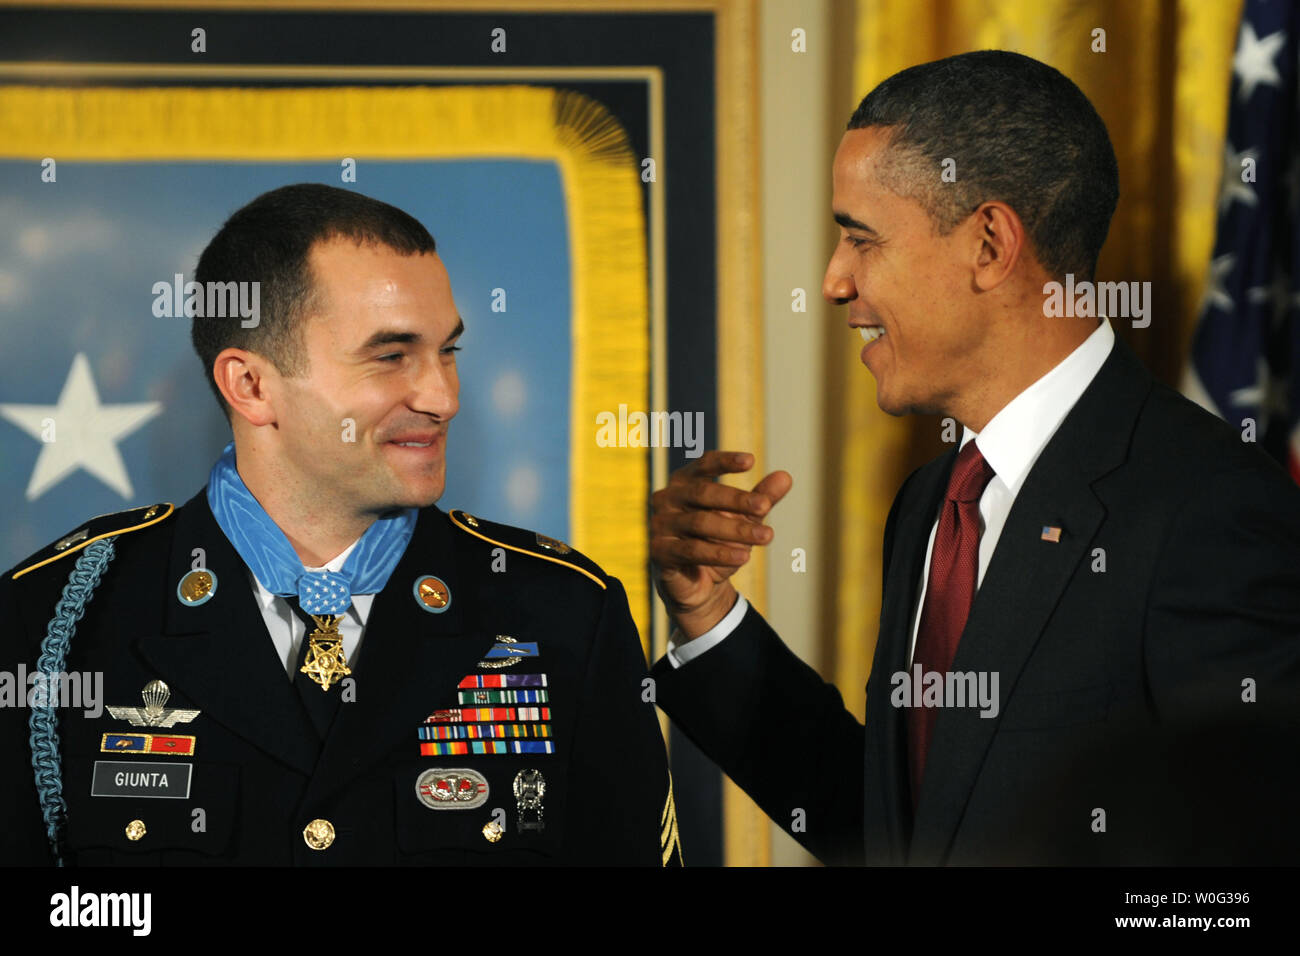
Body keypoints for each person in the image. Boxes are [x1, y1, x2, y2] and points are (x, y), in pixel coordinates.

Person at [648, 51, 1300, 865]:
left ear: (989, 244)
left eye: (860, 238)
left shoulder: (1210, 509)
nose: (833, 281)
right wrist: (709, 619)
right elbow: (906, 832)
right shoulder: (932, 503)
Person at [0, 183, 682, 866]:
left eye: (448, 351)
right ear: (252, 386)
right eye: (391, 355)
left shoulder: (563, 613)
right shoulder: (52, 622)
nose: (443, 396)